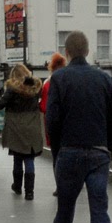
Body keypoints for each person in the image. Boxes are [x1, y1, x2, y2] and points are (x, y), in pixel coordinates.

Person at [44, 31, 112, 223]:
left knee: (65, 209)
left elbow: (52, 120)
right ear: (88, 51)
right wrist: (107, 147)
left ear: (67, 53)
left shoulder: (59, 78)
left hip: (69, 151)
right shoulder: (104, 79)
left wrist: (57, 153)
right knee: (100, 211)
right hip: (99, 153)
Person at [0, 63, 43, 199]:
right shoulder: (36, 88)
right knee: (29, 159)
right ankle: (30, 192)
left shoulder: (12, 89)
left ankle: (17, 186)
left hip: (16, 127)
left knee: (18, 158)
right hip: (32, 126)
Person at [39, 52, 66, 197]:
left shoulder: (48, 84)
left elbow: (43, 106)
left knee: (57, 156)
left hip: (53, 126)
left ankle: (59, 186)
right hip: (69, 126)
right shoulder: (70, 81)